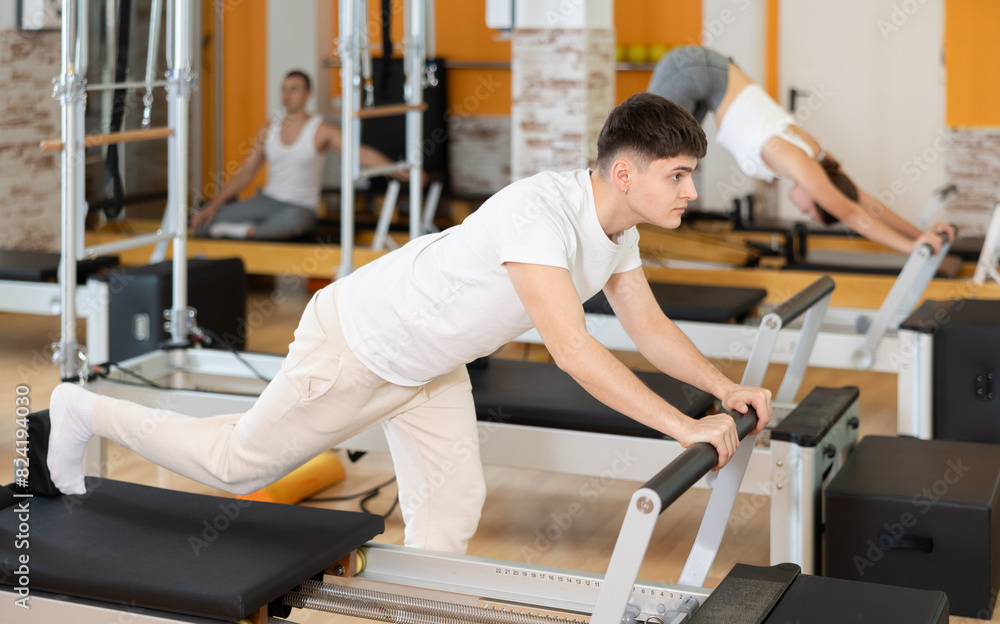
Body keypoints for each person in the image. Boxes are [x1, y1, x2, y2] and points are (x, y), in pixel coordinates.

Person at [46, 93, 772, 554]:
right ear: (625, 174)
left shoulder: (619, 232)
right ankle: (83, 409)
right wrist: (684, 428)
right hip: (360, 342)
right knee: (241, 465)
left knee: (452, 512)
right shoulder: (539, 213)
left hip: (428, 366)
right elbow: (575, 351)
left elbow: (646, 326)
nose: (692, 191)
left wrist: (722, 389)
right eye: (677, 174)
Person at [648, 46, 954, 255]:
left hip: (708, 76)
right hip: (694, 70)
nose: (802, 209)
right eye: (811, 209)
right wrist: (910, 248)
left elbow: (864, 201)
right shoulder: (799, 161)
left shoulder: (818, 156)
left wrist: (919, 234)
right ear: (818, 194)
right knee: (650, 149)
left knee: (674, 152)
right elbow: (851, 212)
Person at [191, 70, 407, 240]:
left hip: (300, 208)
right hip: (266, 201)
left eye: (293, 89)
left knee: (293, 221)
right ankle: (246, 229)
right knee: (202, 225)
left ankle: (243, 231)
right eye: (283, 89)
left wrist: (402, 171)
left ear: (308, 95)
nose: (286, 95)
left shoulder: (321, 129)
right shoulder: (269, 128)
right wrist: (213, 205)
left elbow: (362, 154)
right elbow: (245, 172)